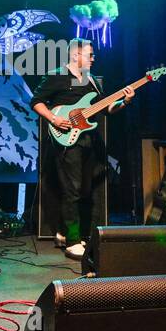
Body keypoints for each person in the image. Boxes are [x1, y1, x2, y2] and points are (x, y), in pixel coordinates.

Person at [30, 38, 131, 259]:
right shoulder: (57, 75)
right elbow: (36, 101)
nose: (94, 58)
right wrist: (54, 120)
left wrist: (123, 101)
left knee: (85, 190)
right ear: (76, 55)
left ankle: (68, 233)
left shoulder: (90, 80)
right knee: (72, 189)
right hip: (66, 139)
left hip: (87, 141)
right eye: (90, 55)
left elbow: (105, 108)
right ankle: (73, 242)